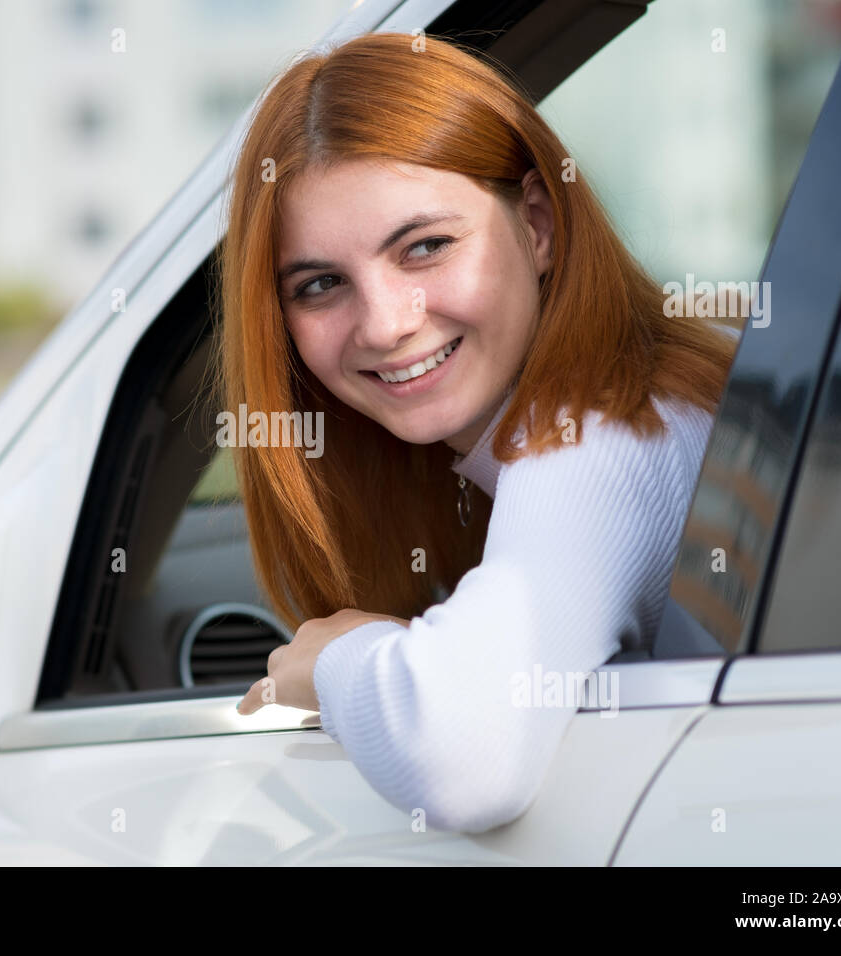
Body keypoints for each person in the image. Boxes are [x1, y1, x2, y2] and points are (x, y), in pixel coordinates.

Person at [217, 32, 736, 832]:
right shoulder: (629, 395)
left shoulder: (602, 431)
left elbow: (463, 756)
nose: (387, 325)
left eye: (426, 246)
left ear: (538, 225)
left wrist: (333, 664)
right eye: (321, 285)